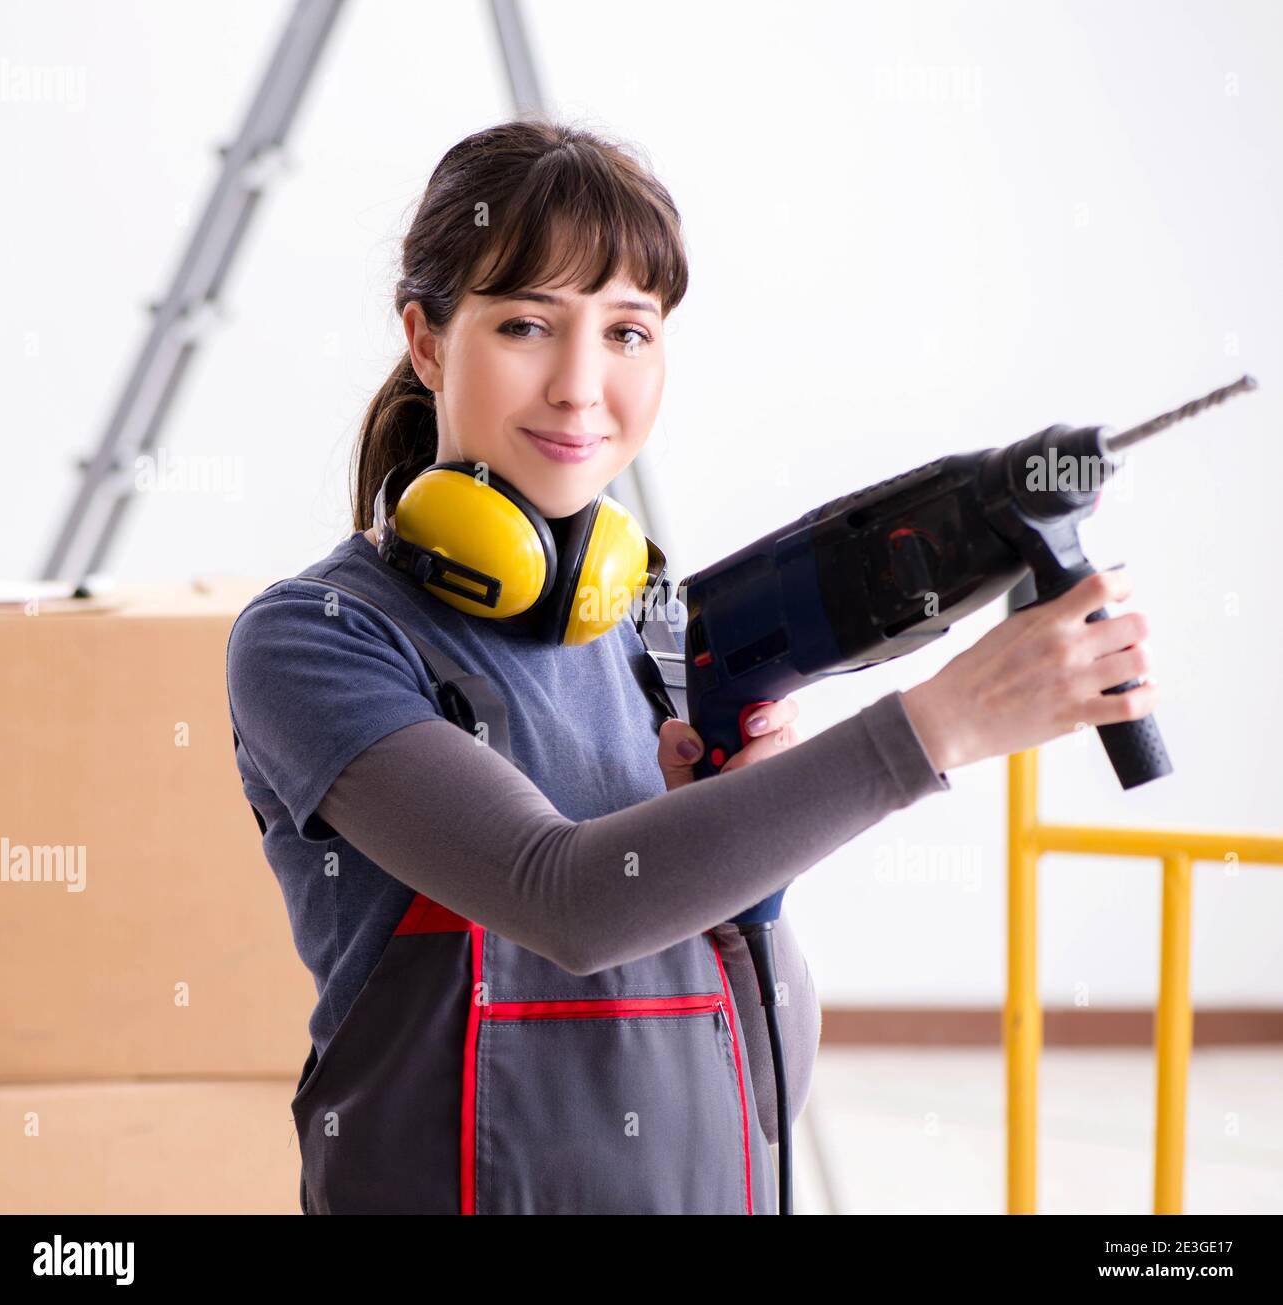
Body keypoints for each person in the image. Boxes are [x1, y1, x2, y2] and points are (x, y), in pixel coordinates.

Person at [225, 118, 1157, 1215]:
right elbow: (563, 898)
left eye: (626, 333)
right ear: (427, 342)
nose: (580, 386)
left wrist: (752, 861)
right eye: (528, 324)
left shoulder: (661, 634)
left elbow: (772, 1066)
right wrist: (936, 728)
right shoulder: (320, 636)